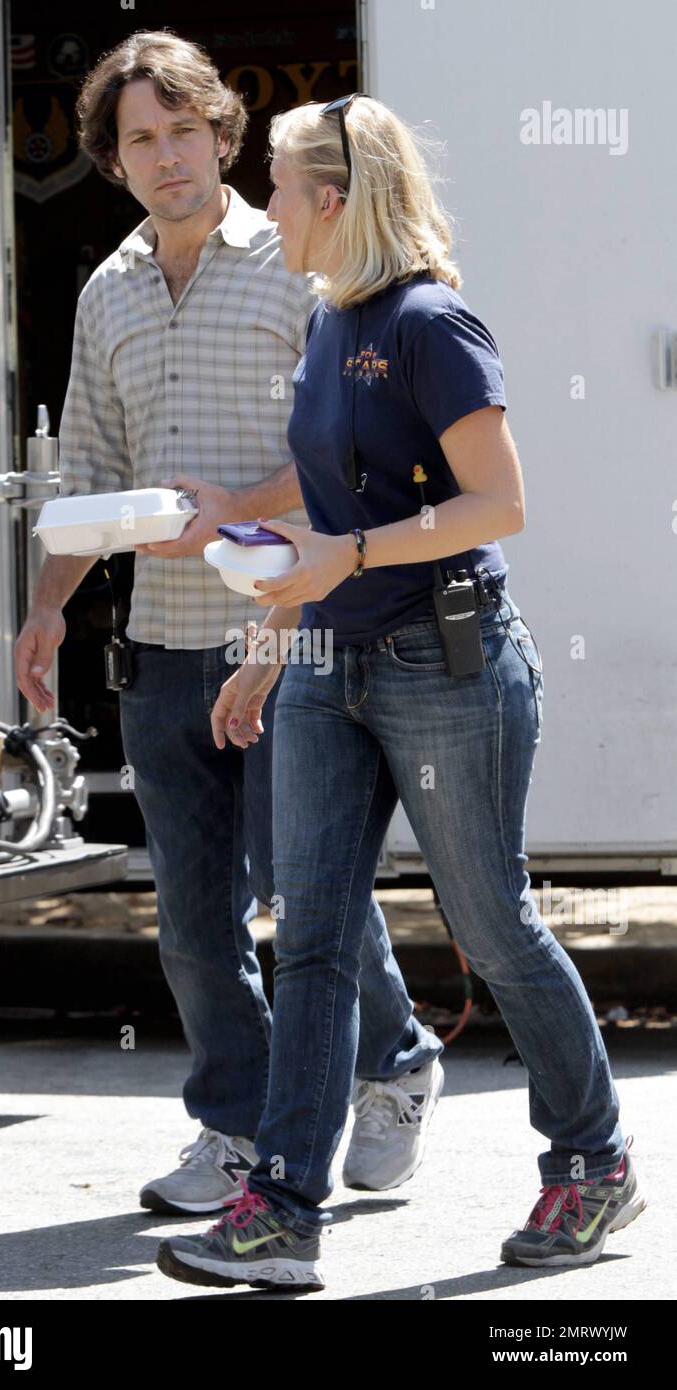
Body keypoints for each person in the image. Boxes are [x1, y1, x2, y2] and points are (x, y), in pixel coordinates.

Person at [157, 93, 646, 1291]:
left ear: (333, 200)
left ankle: (593, 1160)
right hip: (333, 664)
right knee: (310, 934)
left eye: (275, 185)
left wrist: (353, 562)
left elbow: (499, 505)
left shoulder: (430, 321)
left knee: (490, 928)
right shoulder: (328, 325)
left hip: (449, 662)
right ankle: (281, 1206)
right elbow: (329, 512)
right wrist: (275, 634)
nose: (263, 205)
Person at [14, 36, 442, 1217]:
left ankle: (397, 1065)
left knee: (312, 892)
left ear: (221, 134)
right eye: (140, 140)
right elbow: (92, 469)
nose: (167, 158)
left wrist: (233, 512)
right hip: (160, 640)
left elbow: (355, 456)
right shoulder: (106, 292)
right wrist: (47, 609)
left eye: (183, 131)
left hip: (297, 631)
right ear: (115, 160)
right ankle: (232, 1127)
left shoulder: (299, 271)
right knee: (197, 917)